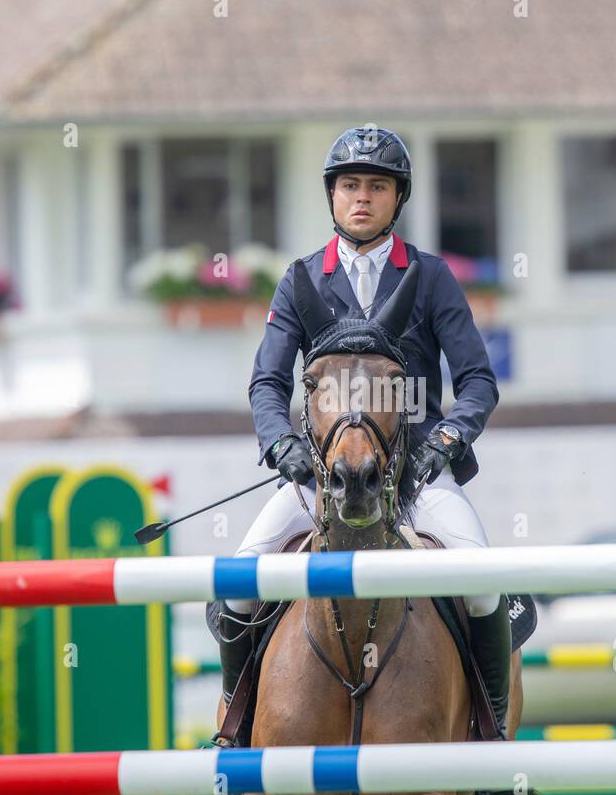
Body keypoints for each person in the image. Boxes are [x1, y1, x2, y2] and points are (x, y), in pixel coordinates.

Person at [209, 125, 514, 738]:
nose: (362, 197)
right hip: (320, 474)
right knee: (240, 581)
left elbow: (478, 380)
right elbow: (267, 383)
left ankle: (490, 730)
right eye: (350, 185)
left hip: (418, 470)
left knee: (481, 584)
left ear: (397, 199)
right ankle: (238, 722)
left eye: (377, 186)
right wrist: (282, 443)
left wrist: (447, 440)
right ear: (332, 195)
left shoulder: (431, 278)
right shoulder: (300, 280)